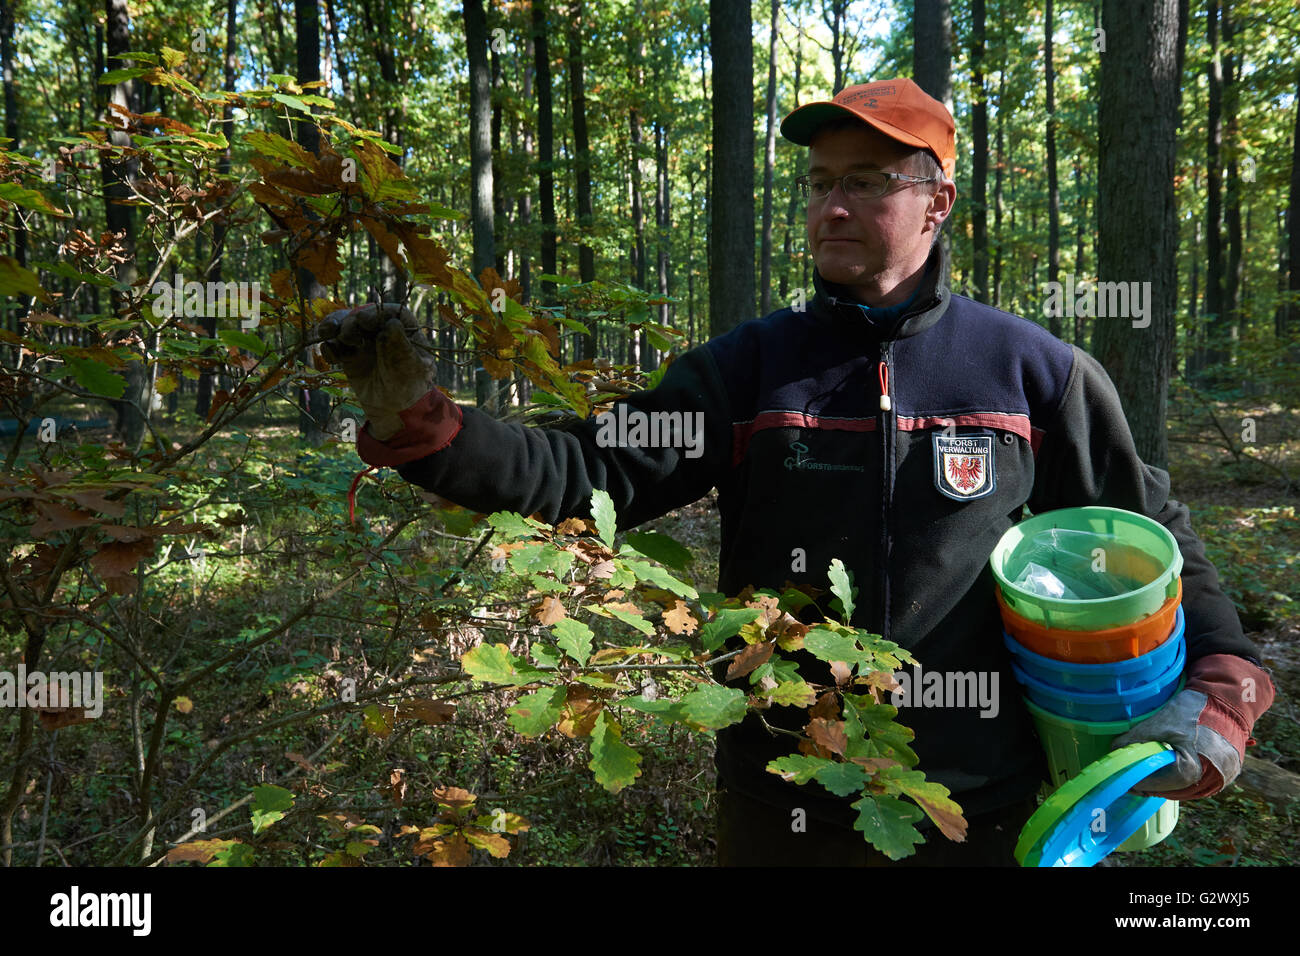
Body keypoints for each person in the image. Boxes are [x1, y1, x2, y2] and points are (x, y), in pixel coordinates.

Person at [318, 77, 1275, 866]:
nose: (834, 206)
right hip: (782, 801)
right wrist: (431, 428)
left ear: (937, 202)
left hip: (977, 805)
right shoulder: (754, 368)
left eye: (868, 181)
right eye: (820, 183)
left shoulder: (1035, 373)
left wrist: (1224, 682)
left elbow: (1147, 531)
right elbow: (591, 467)